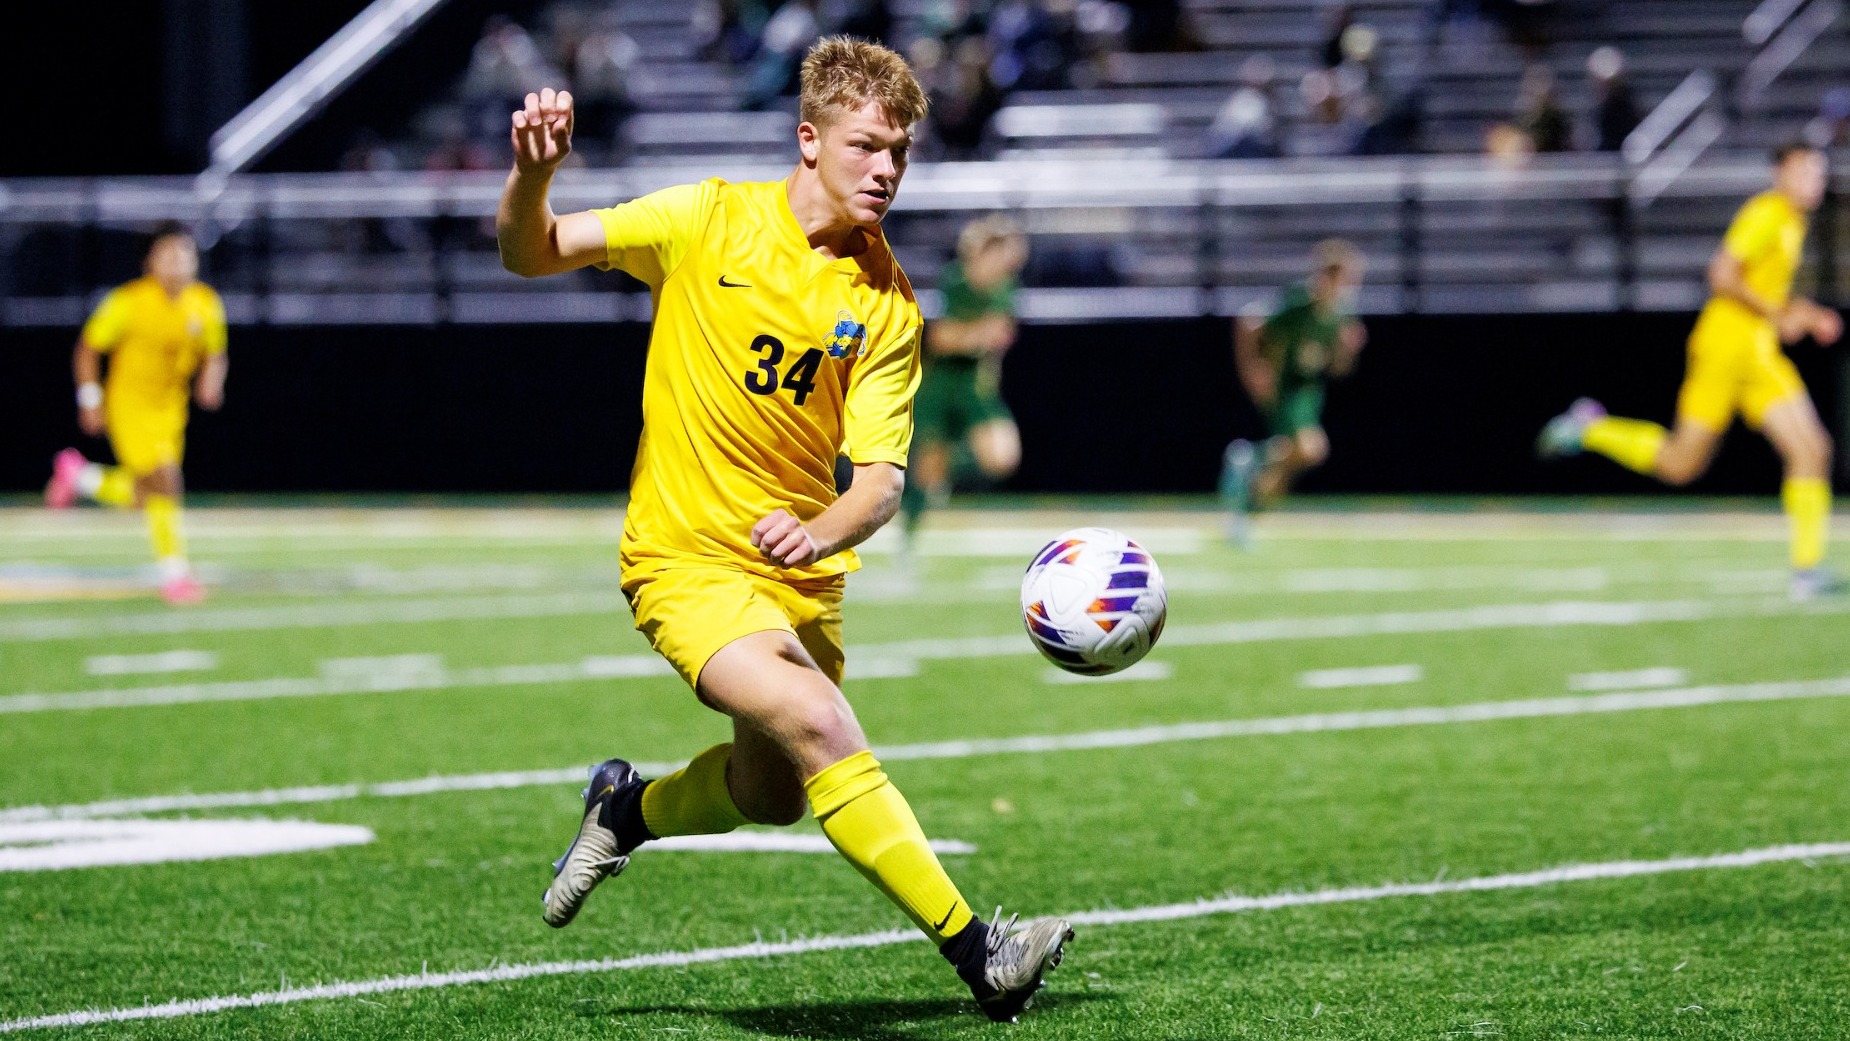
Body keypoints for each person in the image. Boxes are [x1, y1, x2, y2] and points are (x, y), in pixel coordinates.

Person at [494, 36, 1072, 1019]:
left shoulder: (885, 304)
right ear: (808, 140)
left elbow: (879, 485)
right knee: (817, 722)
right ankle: (983, 955)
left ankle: (624, 809)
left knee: (772, 795)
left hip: (796, 574)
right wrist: (532, 177)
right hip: (682, 559)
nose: (886, 169)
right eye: (865, 146)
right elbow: (532, 251)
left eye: (900, 152)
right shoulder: (705, 218)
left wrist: (819, 531)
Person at [1539, 142, 1844, 599]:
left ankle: (1806, 571)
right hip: (1724, 348)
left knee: (1812, 449)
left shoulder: (1792, 222)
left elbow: (1762, 291)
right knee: (1681, 464)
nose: (1814, 183)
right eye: (1805, 173)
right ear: (1781, 174)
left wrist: (1806, 314)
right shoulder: (1766, 213)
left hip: (1757, 355)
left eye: (1818, 175)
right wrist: (1781, 315)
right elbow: (1722, 274)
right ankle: (1591, 429)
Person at [43, 224, 227, 605]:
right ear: (150, 262)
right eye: (169, 253)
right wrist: (90, 398)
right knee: (167, 482)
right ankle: (175, 574)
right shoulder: (128, 301)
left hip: (171, 412)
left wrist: (212, 380)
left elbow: (215, 352)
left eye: (185, 253)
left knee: (150, 494)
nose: (178, 261)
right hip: (129, 406)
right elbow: (88, 349)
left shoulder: (205, 303)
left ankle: (82, 478)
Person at [1221, 239, 1367, 545]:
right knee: (1312, 449)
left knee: (1292, 463)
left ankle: (1246, 511)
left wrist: (1348, 350)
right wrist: (1253, 370)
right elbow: (1249, 325)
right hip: (1287, 389)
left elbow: (1338, 370)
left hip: (1310, 392)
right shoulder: (1300, 302)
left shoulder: (1341, 314)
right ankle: (1251, 463)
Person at [899, 215, 1029, 550]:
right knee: (924, 474)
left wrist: (974, 337)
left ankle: (950, 458)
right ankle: (908, 541)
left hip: (975, 388)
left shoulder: (1005, 288)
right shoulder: (955, 280)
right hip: (940, 385)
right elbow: (941, 339)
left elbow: (995, 335)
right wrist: (976, 336)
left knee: (1002, 457)